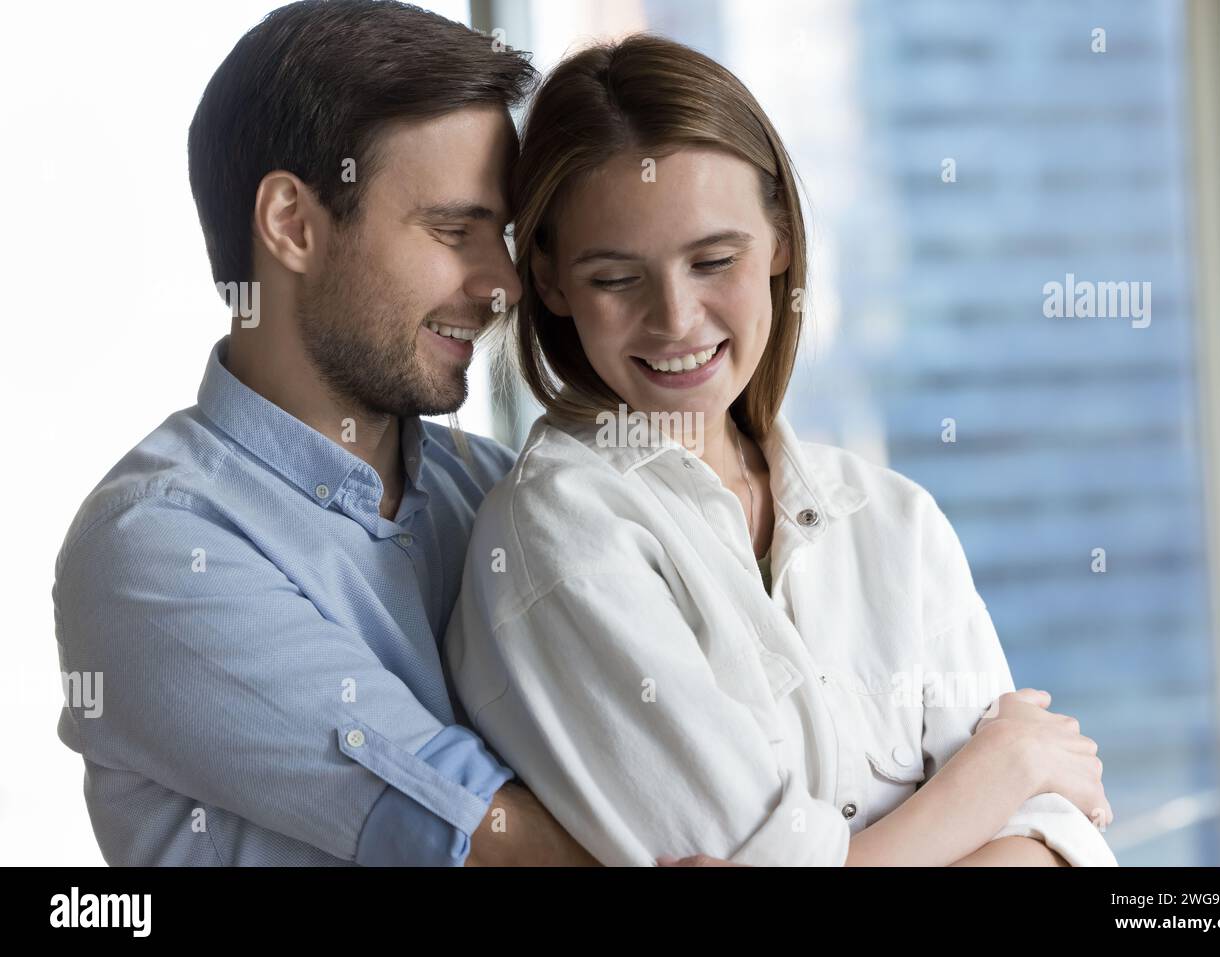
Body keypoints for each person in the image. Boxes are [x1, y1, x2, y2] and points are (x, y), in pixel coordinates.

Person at [446, 34, 1119, 867]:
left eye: (714, 260)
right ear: (548, 280)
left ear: (781, 243)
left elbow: (1063, 840)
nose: (677, 319)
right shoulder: (555, 532)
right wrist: (998, 768)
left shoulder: (892, 519)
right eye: (616, 278)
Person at [51, 0, 594, 866]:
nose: (502, 284)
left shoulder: (502, 492)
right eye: (455, 231)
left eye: (500, 236)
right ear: (292, 224)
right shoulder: (154, 546)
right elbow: (489, 843)